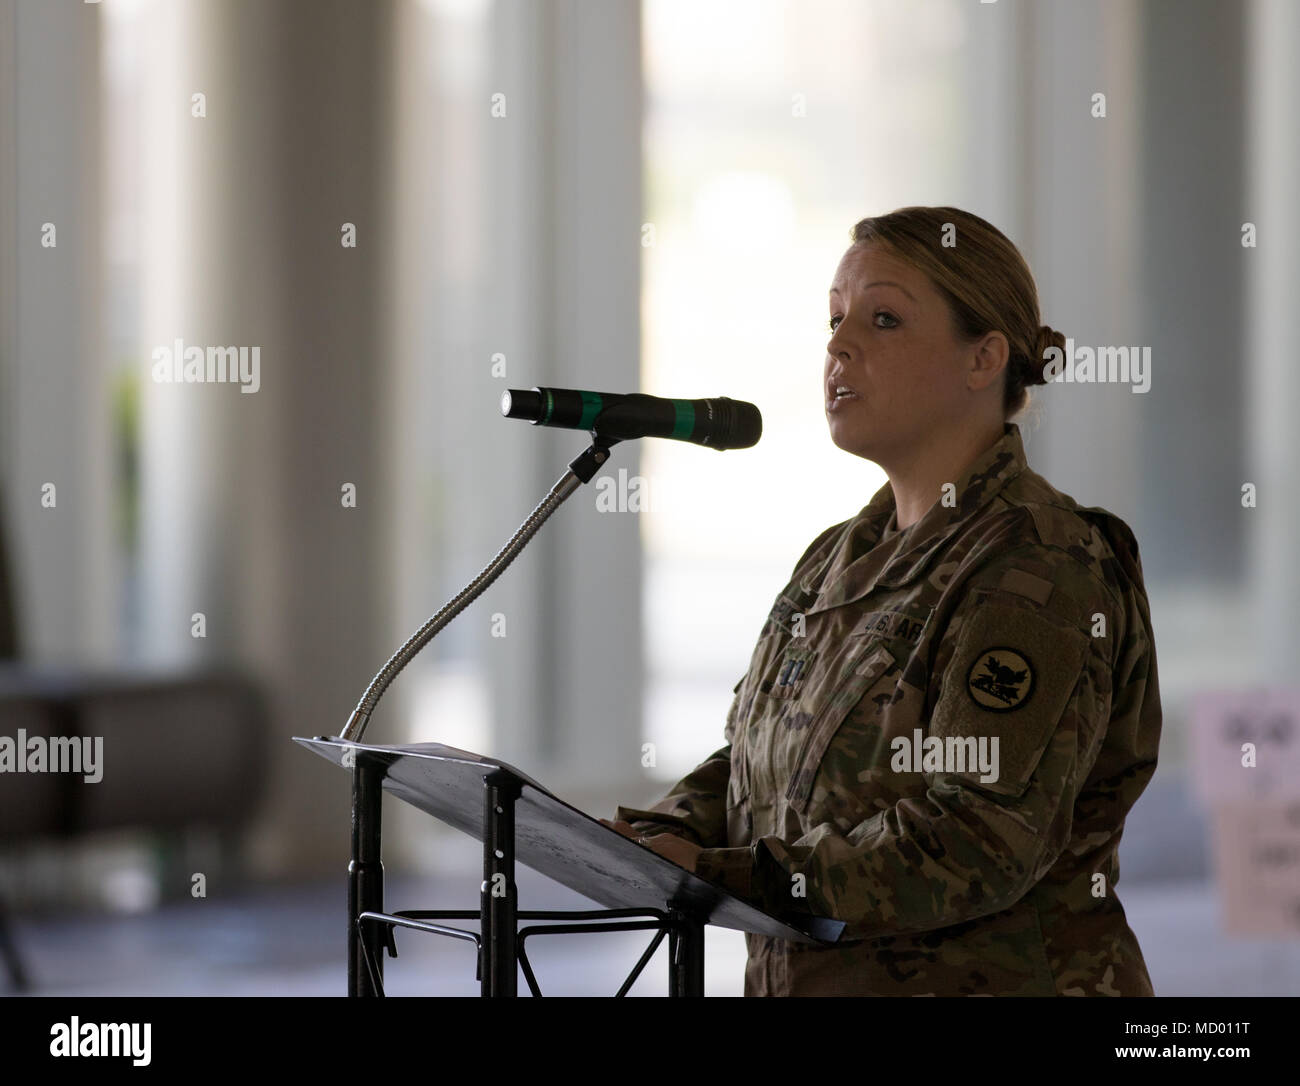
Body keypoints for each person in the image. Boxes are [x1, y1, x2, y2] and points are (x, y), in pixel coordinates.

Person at [604, 206, 1162, 997]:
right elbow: (762, 771)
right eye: (834, 319)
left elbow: (978, 839)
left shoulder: (1037, 563)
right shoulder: (834, 559)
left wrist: (725, 875)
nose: (838, 345)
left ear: (984, 359)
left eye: (884, 318)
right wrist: (660, 834)